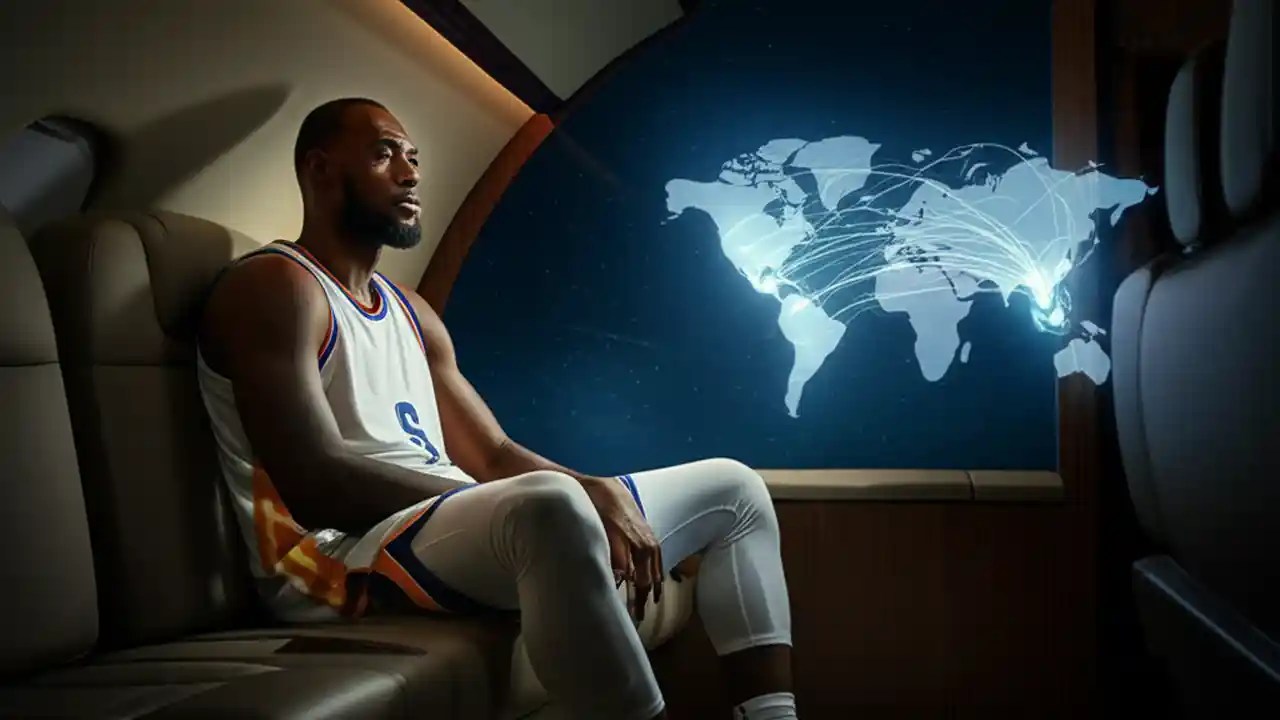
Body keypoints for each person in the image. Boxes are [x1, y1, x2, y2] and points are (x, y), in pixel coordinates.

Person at [196, 97, 797, 720]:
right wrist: (530, 499)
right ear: (320, 171)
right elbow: (314, 480)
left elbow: (491, 452)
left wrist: (593, 488)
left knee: (735, 490)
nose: (409, 173)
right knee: (549, 504)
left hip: (436, 528)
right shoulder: (274, 286)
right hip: (333, 560)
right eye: (383, 154)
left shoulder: (410, 311)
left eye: (412, 156)